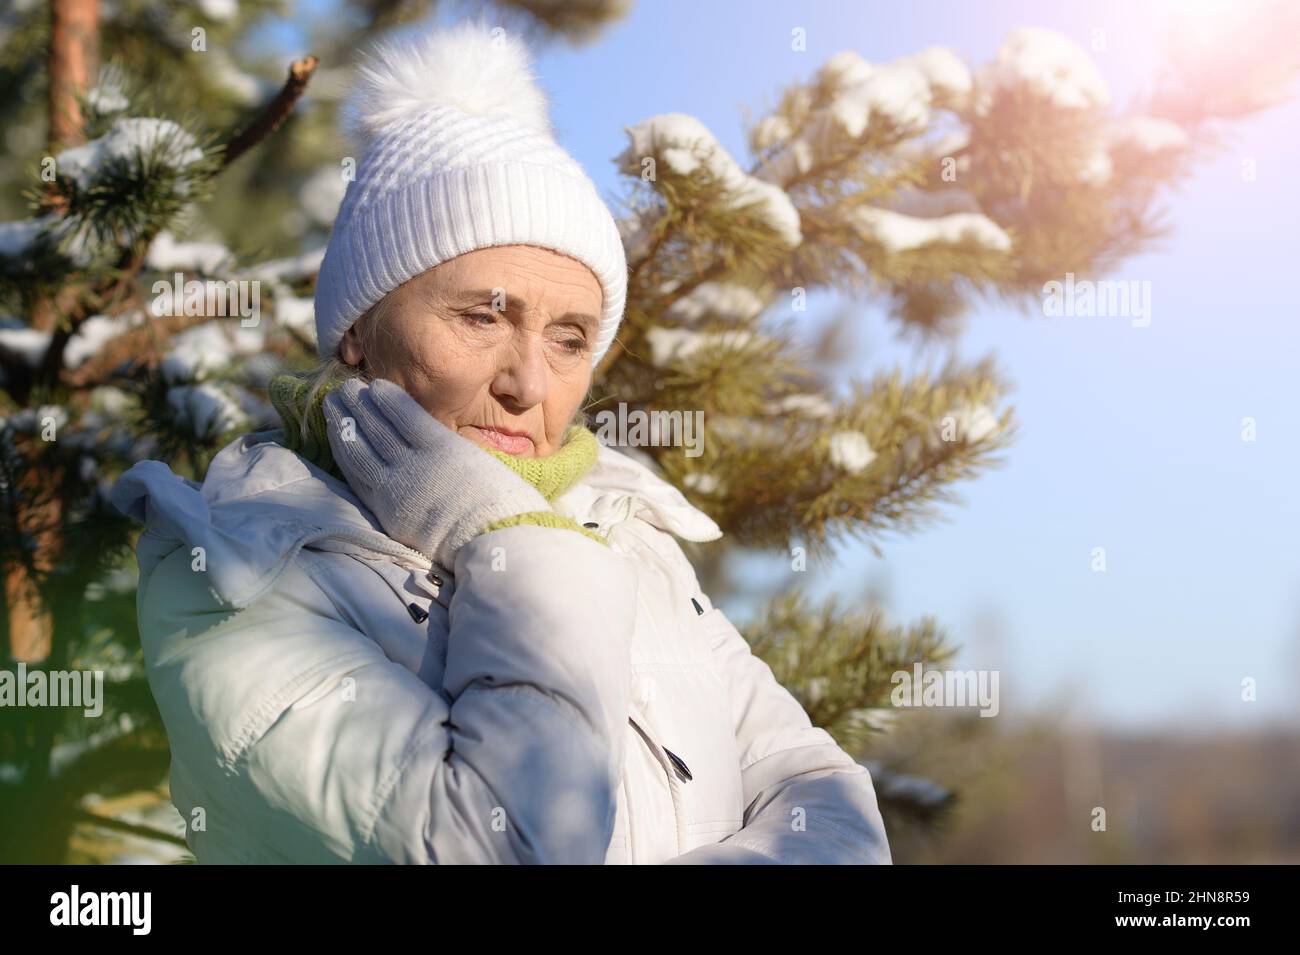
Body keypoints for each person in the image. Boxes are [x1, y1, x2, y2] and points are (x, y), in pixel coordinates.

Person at [110, 18, 892, 864]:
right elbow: (506, 846)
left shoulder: (624, 538)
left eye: (568, 337)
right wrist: (508, 538)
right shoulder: (235, 580)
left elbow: (834, 814)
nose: (527, 383)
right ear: (357, 334)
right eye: (484, 314)